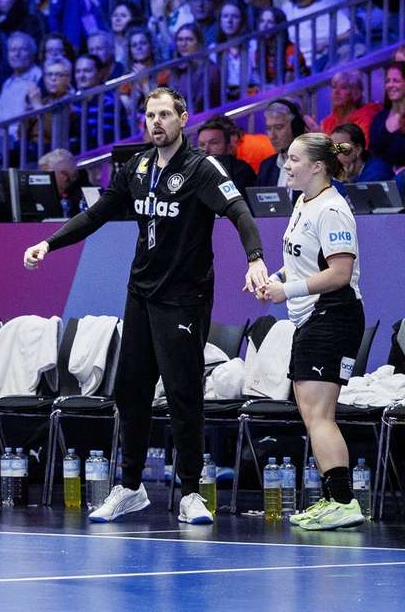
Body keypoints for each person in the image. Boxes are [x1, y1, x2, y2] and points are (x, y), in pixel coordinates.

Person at [23, 87, 268, 525]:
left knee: (183, 393)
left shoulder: (201, 168)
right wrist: (49, 242)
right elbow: (95, 215)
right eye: (150, 115)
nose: (156, 122)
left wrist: (255, 259)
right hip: (141, 293)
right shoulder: (136, 167)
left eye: (165, 115)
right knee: (131, 392)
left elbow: (239, 212)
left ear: (183, 118)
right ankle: (131, 486)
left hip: (185, 297)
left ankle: (191, 493)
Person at [258, 133, 366, 530]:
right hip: (311, 318)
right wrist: (276, 278)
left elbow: (339, 274)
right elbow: (302, 262)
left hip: (334, 316)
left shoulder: (333, 209)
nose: (286, 166)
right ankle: (333, 498)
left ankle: (344, 502)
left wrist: (287, 291)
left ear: (318, 166)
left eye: (294, 159)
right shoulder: (303, 203)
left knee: (320, 415)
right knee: (312, 414)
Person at [196, 115, 258, 197]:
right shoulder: (192, 170)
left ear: (228, 146)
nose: (206, 150)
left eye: (214, 143)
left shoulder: (242, 170)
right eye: (201, 144)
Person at [320, 69, 381, 142]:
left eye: (343, 88)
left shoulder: (365, 119)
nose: (336, 92)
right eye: (334, 87)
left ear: (356, 94)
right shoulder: (328, 122)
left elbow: (362, 148)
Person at [257, 100, 307, 187]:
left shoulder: (311, 166)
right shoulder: (266, 167)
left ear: (295, 128)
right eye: (269, 128)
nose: (272, 136)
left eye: (278, 127)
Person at [368, 61, 405, 171]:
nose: (390, 85)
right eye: (387, 81)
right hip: (382, 176)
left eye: (396, 81)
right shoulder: (379, 118)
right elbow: (373, 155)